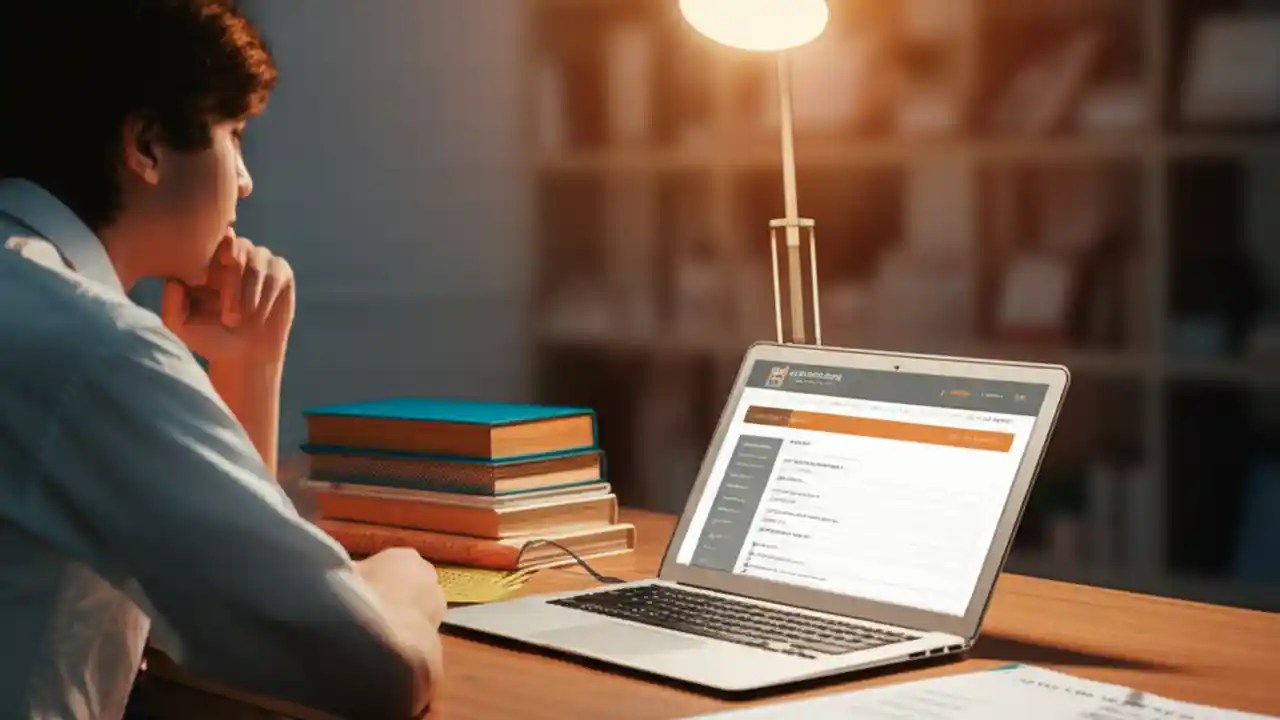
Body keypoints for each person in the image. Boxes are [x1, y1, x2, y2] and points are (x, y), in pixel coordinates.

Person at [0, 2, 446, 718]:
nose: (244, 180)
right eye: (231, 135)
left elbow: (219, 599)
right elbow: (368, 667)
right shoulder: (96, 352)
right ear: (146, 144)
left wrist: (248, 368)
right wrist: (404, 580)